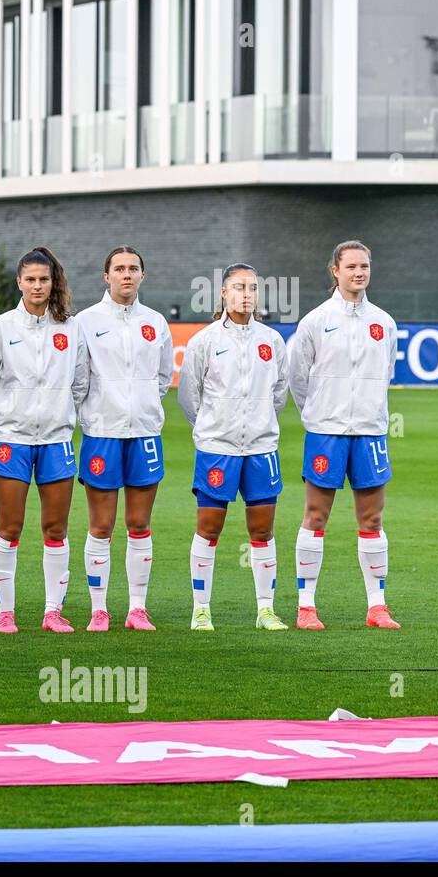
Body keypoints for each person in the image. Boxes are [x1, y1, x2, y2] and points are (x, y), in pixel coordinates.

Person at [288, 240, 400, 630]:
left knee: (372, 519)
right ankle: (306, 606)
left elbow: (385, 374)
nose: (359, 272)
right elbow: (297, 379)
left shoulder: (384, 322)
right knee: (315, 516)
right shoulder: (315, 321)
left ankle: (377, 607)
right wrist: (319, 416)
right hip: (326, 433)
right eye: (351, 266)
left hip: (370, 433)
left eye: (364, 266)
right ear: (334, 270)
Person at [0, 246, 87, 634]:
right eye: (30, 279)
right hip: (13, 440)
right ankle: (5, 612)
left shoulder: (71, 327)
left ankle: (52, 612)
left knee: (55, 530)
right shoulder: (1, 327)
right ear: (19, 283)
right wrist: (6, 416)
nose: (37, 286)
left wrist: (60, 415)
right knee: (10, 529)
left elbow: (80, 382)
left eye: (44, 279)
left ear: (53, 282)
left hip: (56, 440)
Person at [177, 264, 289, 632]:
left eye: (253, 288)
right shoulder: (205, 341)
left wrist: (258, 426)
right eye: (238, 287)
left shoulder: (271, 340)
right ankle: (201, 609)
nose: (246, 294)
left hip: (261, 450)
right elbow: (189, 397)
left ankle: (266, 610)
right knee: (209, 529)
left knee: (262, 532)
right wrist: (213, 430)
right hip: (217, 449)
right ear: (223, 293)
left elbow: (279, 394)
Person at [76, 246, 175, 631]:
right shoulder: (85, 321)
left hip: (145, 434)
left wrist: (144, 405)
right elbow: (79, 378)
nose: (127, 275)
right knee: (101, 526)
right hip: (102, 434)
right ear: (107, 276)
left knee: (139, 523)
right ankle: (99, 609)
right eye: (119, 269)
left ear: (142, 276)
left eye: (134, 268)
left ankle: (137, 608)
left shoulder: (156, 322)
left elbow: (164, 377)